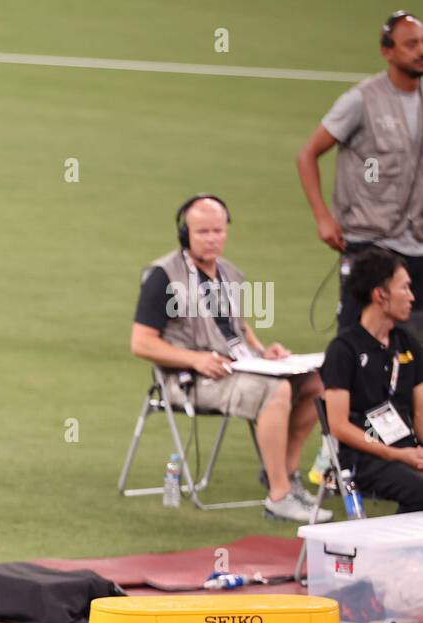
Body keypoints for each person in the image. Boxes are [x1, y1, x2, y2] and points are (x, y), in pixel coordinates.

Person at [131, 195, 332, 522]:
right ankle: (278, 498)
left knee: (317, 383)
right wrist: (194, 360)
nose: (212, 239)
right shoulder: (164, 276)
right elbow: (141, 344)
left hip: (237, 367)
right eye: (203, 232)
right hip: (188, 380)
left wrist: (263, 351)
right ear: (185, 234)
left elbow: (235, 326)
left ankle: (284, 474)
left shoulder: (229, 274)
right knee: (276, 390)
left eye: (218, 231)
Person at [296, 10, 423, 339]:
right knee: (357, 342)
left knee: (414, 347)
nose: (420, 50)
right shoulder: (361, 101)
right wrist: (323, 217)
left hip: (417, 245)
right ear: (387, 51)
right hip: (370, 244)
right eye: (411, 44)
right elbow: (307, 154)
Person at [321, 247, 423, 511]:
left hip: (407, 451)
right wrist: (395, 454)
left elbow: (421, 410)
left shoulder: (406, 342)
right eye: (404, 288)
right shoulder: (343, 350)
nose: (411, 297)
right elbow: (339, 426)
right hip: (364, 459)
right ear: (380, 295)